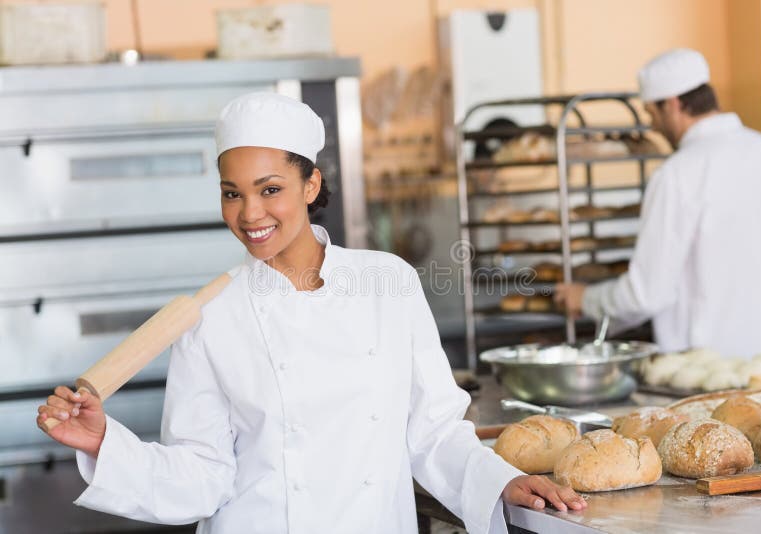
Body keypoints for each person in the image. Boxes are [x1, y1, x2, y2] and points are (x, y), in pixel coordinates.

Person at [37, 92, 586, 533]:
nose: (249, 213)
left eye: (269, 189)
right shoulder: (210, 313)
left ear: (311, 184)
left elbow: (434, 431)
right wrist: (105, 444)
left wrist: (500, 481)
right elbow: (203, 475)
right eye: (232, 194)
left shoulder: (387, 281)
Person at [555, 48, 761, 357]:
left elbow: (647, 293)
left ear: (672, 105)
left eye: (651, 114)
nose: (653, 126)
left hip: (712, 370)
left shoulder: (677, 175)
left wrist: (587, 298)